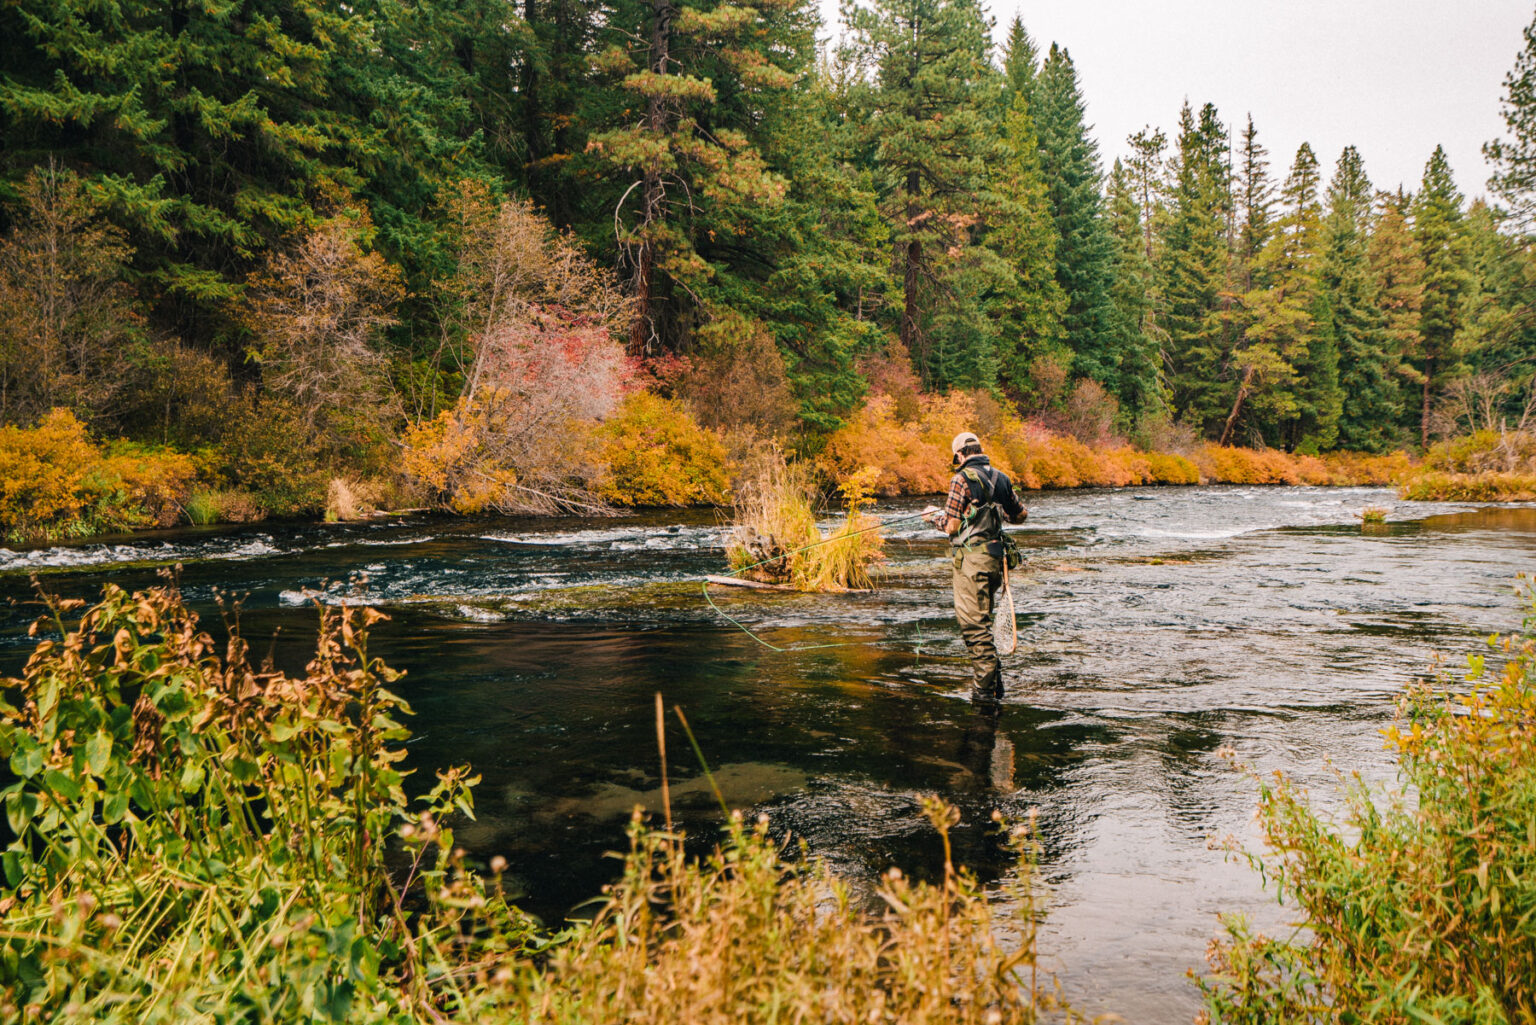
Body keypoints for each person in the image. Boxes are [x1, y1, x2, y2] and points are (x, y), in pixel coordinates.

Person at [925, 431, 1027, 705]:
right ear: (979, 450)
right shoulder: (1001, 478)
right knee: (982, 622)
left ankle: (984, 695)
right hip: (995, 561)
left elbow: (951, 526)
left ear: (960, 455)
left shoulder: (960, 479)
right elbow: (1020, 515)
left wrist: (932, 517)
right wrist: (996, 510)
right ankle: (995, 685)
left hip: (971, 562)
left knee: (974, 625)